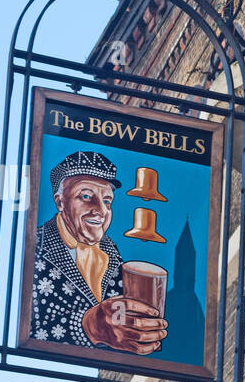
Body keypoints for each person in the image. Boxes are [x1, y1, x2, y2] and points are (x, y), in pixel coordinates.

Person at [30, 151, 167, 354]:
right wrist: (88, 327)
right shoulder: (36, 247)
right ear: (60, 202)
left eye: (107, 201)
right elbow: (33, 330)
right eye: (86, 196)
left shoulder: (111, 253)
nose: (100, 211)